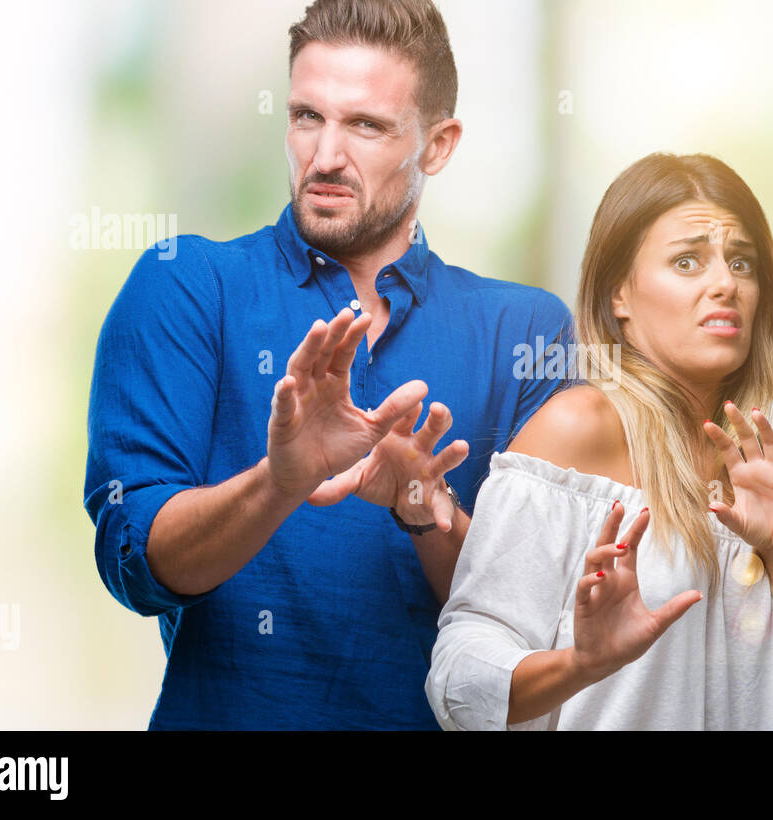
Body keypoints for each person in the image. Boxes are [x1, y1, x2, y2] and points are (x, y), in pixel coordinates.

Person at [83, 0, 570, 730]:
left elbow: (542, 630)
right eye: (307, 116)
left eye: (366, 125)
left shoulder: (524, 332)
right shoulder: (186, 285)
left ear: (438, 145)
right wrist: (280, 481)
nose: (325, 156)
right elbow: (138, 567)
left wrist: (426, 510)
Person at [426, 153, 773, 730]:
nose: (725, 283)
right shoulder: (578, 431)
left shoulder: (752, 468)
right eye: (687, 261)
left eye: (741, 263)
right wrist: (580, 664)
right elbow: (458, 676)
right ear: (618, 297)